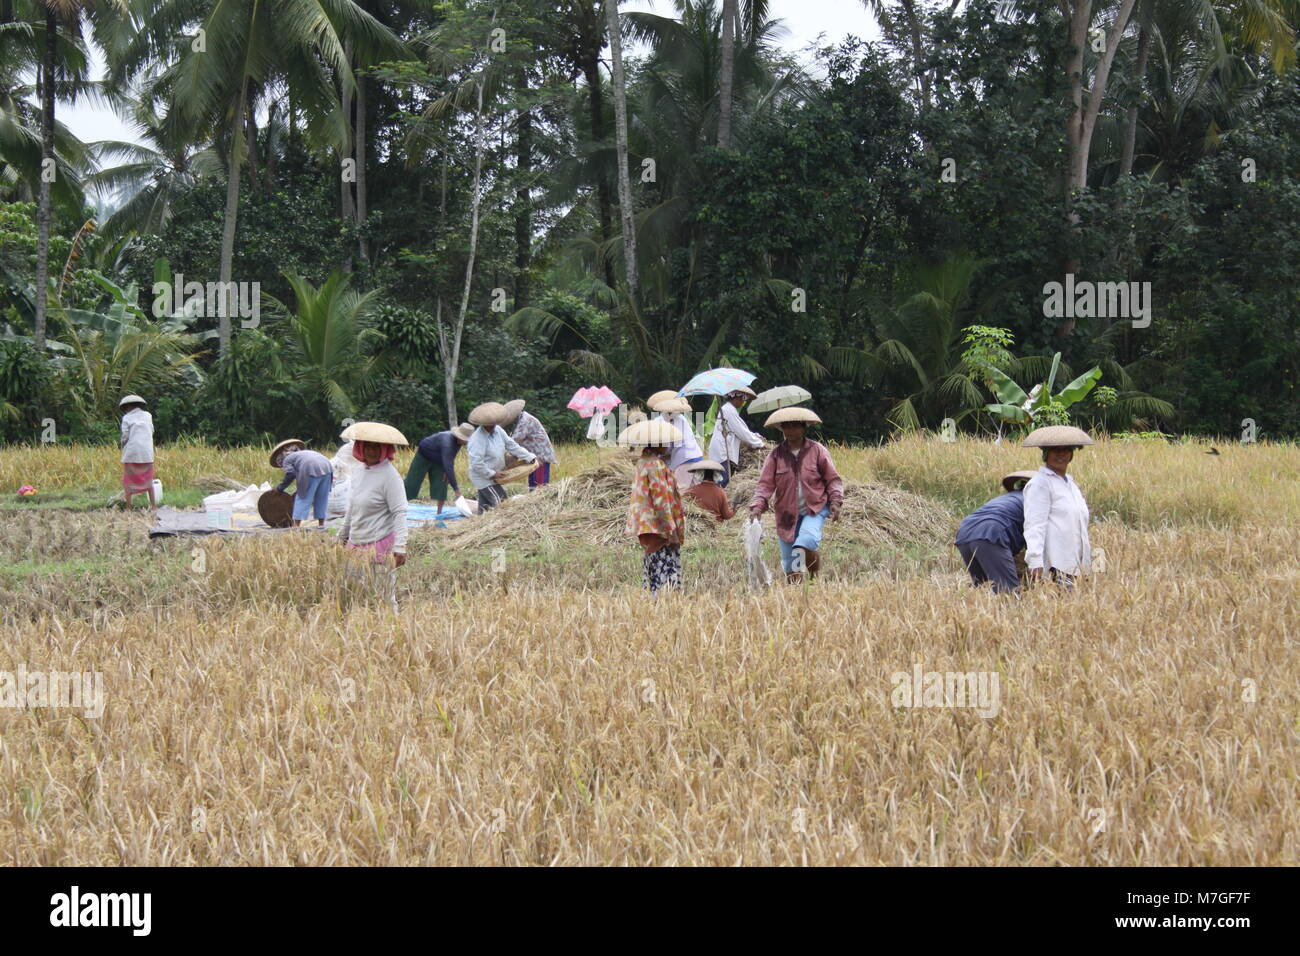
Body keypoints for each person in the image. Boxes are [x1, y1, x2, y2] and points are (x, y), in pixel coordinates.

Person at [749, 407, 843, 584]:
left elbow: (833, 479)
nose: (791, 431)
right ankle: (797, 594)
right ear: (782, 429)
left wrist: (836, 501)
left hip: (814, 508)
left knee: (805, 542)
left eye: (795, 426)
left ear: (803, 428)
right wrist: (757, 506)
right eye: (787, 427)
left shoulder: (817, 451)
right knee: (790, 565)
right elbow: (765, 485)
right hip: (786, 514)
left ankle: (814, 580)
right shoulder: (776, 456)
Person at [1022, 425, 1094, 590]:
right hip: (1057, 563)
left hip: (1076, 564)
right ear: (1046, 455)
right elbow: (1034, 524)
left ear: (1071, 455)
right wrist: (1035, 561)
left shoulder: (1070, 484)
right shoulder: (1041, 484)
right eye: (1055, 451)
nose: (1061, 455)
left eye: (1066, 450)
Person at [338, 422, 410, 568]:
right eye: (367, 446)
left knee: (380, 589)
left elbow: (399, 512)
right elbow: (353, 507)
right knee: (355, 588)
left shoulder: (390, 476)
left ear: (385, 449)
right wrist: (342, 535)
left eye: (376, 446)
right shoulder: (358, 472)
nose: (371, 450)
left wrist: (400, 546)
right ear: (360, 447)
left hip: (379, 543)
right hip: (356, 541)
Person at [955, 470, 1037, 594]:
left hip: (964, 532)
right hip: (991, 533)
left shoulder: (1007, 498)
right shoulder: (1034, 502)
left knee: (982, 592)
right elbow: (1036, 538)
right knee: (1008, 594)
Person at [624, 433, 686, 595]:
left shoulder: (642, 462)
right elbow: (661, 500)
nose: (668, 444)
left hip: (646, 523)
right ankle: (663, 600)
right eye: (666, 441)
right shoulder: (655, 465)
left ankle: (654, 599)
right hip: (658, 526)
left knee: (652, 564)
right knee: (664, 566)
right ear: (657, 443)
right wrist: (670, 527)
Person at [466, 402, 537, 512]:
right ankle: (496, 526)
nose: (493, 425)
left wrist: (528, 456)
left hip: (496, 475)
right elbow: (476, 463)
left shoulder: (498, 430)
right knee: (502, 504)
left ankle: (481, 523)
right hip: (483, 478)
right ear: (484, 424)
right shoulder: (477, 439)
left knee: (485, 508)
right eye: (491, 424)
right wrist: (492, 474)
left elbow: (512, 445)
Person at [406, 422, 473, 511]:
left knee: (442, 483)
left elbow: (451, 458)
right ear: (459, 436)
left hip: (440, 460)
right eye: (465, 440)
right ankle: (401, 508)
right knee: (412, 483)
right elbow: (448, 463)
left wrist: (447, 472)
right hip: (424, 455)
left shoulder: (460, 443)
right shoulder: (447, 442)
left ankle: (439, 513)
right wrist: (456, 489)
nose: (466, 442)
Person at [707, 387, 765, 488]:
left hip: (721, 453)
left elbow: (741, 429)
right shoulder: (729, 410)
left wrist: (755, 436)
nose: (743, 402)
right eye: (743, 399)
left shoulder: (728, 410)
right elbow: (742, 432)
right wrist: (760, 444)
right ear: (737, 398)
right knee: (722, 483)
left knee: (721, 482)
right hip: (724, 453)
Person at [271, 439, 333, 528]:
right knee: (321, 497)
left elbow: (290, 474)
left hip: (311, 468)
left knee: (302, 497)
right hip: (327, 467)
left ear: (281, 457)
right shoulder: (303, 454)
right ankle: (321, 525)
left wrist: (279, 488)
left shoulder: (287, 459)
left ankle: (296, 526)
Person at [652, 395, 703, 490]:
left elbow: (667, 447)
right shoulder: (681, 418)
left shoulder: (664, 421)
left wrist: (658, 457)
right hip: (697, 457)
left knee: (680, 491)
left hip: (684, 461)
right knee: (696, 491)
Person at [118, 394, 156, 517]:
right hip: (147, 452)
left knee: (129, 481)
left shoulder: (127, 418)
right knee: (148, 479)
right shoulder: (148, 415)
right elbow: (152, 431)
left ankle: (129, 508)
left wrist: (122, 447)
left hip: (132, 452)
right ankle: (153, 506)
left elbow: (125, 436)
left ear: (128, 406)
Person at [505, 399, 557, 489]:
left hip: (540, 456)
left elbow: (514, 441)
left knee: (539, 486)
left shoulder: (525, 421)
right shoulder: (522, 419)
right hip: (533, 457)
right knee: (533, 483)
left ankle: (539, 503)